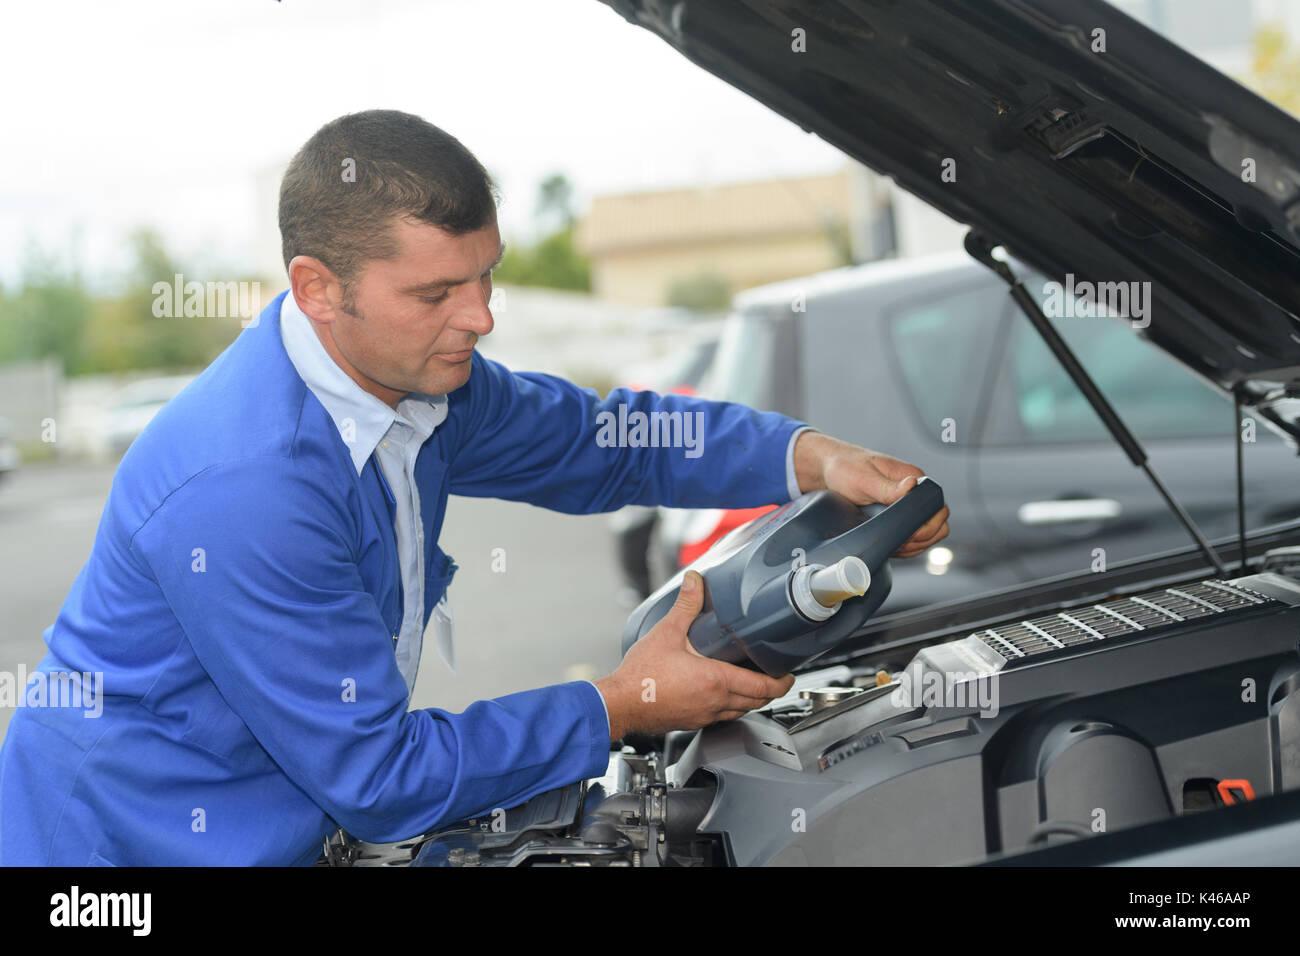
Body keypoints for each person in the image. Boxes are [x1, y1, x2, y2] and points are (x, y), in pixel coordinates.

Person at [0, 110, 948, 865]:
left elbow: (604, 442)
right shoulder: (246, 489)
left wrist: (811, 458)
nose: (482, 317)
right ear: (318, 288)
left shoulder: (420, 382)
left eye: (486, 277)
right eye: (437, 293)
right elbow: (380, 774)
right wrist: (624, 702)